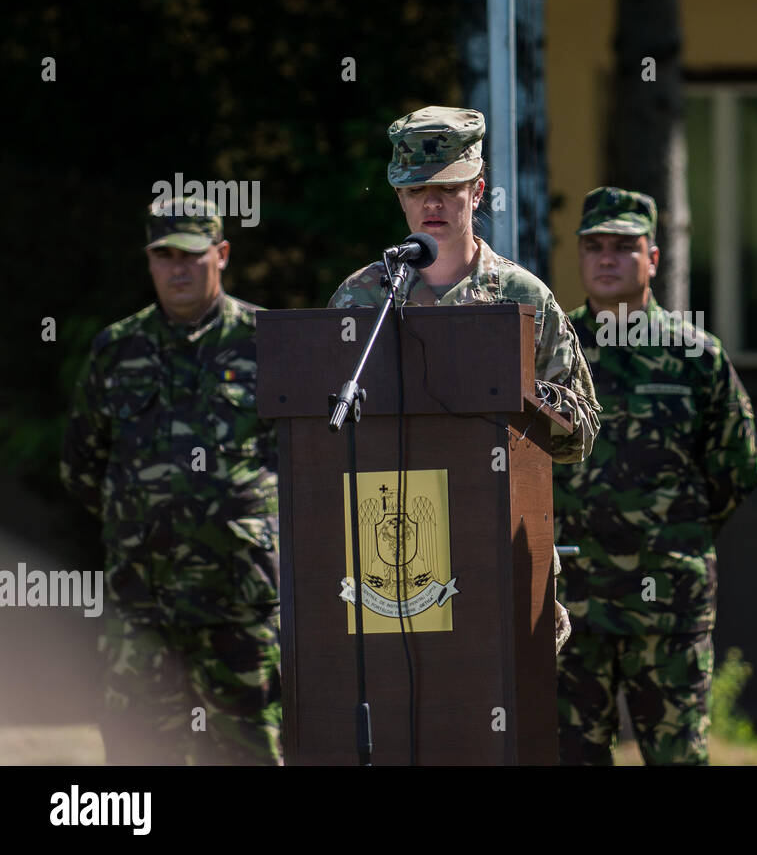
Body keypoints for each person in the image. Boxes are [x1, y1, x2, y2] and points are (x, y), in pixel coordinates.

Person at [327, 105, 601, 651]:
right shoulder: (362, 299)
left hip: (495, 539)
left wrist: (517, 389)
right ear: (399, 197)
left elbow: (581, 432)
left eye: (449, 189)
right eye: (416, 190)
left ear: (477, 193)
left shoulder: (523, 297)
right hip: (391, 555)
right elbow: (322, 432)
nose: (432, 203)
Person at [61, 197, 282, 765]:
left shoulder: (271, 344)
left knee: (253, 754)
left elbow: (304, 466)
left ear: (222, 254)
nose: (177, 269)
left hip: (241, 606)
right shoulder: (117, 349)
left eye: (190, 255)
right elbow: (82, 466)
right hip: (144, 609)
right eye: (163, 256)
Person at [552, 187, 757, 765]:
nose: (606, 258)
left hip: (666, 601)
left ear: (653, 258)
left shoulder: (694, 356)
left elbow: (736, 468)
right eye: (594, 246)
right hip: (571, 600)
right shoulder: (549, 352)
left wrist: (672, 535)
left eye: (623, 246)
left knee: (677, 758)